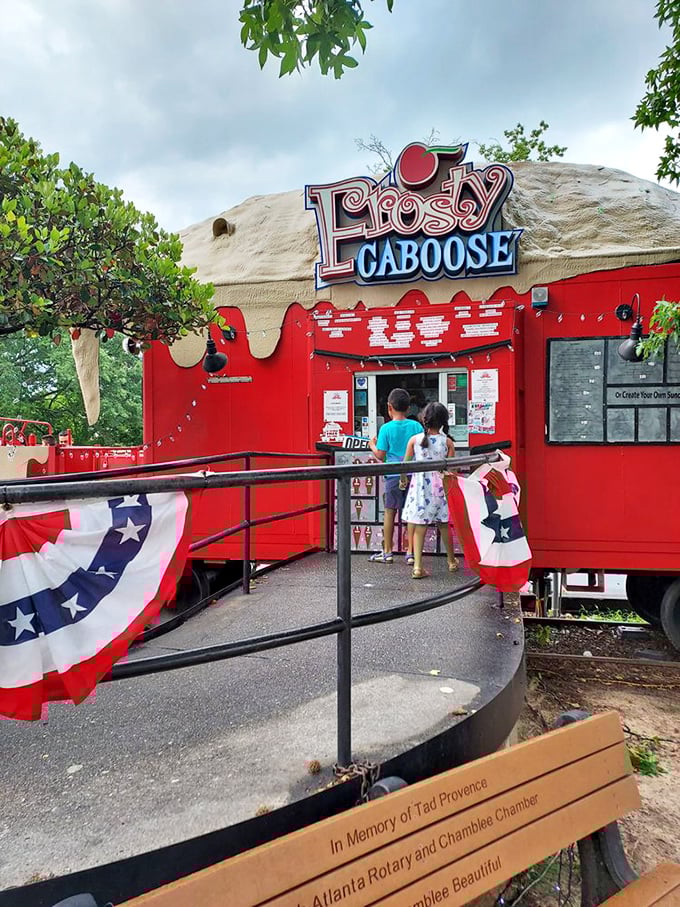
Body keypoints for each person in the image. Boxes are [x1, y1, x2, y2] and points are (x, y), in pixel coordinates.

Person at [401, 401, 458, 579]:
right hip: (440, 486)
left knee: (420, 525)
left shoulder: (414, 440)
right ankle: (451, 561)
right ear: (443, 421)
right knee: (443, 524)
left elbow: (404, 464)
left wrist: (403, 480)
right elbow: (452, 470)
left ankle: (417, 566)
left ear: (424, 419)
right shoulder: (447, 442)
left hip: (419, 487)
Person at [368, 387, 422, 564]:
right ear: (408, 408)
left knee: (390, 512)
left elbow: (380, 455)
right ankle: (410, 552)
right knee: (411, 514)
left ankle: (388, 552)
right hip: (412, 476)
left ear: (389, 407)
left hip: (392, 476)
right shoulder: (416, 426)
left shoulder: (385, 428)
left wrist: (372, 445)